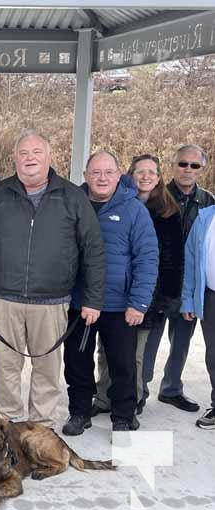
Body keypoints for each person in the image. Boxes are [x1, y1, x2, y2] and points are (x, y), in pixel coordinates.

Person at [0, 128, 105, 427]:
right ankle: (8, 427)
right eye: (23, 153)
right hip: (3, 300)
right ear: (14, 158)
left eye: (36, 152)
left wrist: (92, 299)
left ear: (49, 156)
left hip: (51, 302)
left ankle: (41, 430)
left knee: (46, 371)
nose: (30, 159)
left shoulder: (72, 197)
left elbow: (93, 249)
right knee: (4, 370)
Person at [62, 151, 158, 436]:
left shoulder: (133, 209)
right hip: (80, 301)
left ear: (119, 175)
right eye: (95, 172)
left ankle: (123, 416)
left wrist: (139, 302)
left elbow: (147, 256)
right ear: (85, 176)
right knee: (77, 362)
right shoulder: (72, 204)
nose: (102, 178)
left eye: (108, 172)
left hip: (120, 304)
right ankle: (79, 412)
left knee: (122, 364)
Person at [93, 154, 183, 416]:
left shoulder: (167, 211)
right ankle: (104, 396)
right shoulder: (114, 202)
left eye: (151, 172)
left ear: (159, 178)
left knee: (134, 354)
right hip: (113, 294)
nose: (145, 176)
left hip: (146, 297)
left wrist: (162, 298)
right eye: (140, 171)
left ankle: (133, 398)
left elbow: (170, 260)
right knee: (105, 352)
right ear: (129, 175)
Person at [158, 144, 213, 413]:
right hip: (159, 284)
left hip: (190, 286)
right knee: (144, 345)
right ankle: (135, 393)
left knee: (181, 341)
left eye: (194, 165)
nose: (187, 170)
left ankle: (171, 389)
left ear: (203, 169)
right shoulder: (156, 196)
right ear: (173, 165)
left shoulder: (209, 202)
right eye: (182, 164)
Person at [180, 203, 215, 429]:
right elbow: (191, 260)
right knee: (213, 354)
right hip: (211, 297)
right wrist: (188, 299)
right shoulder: (205, 218)